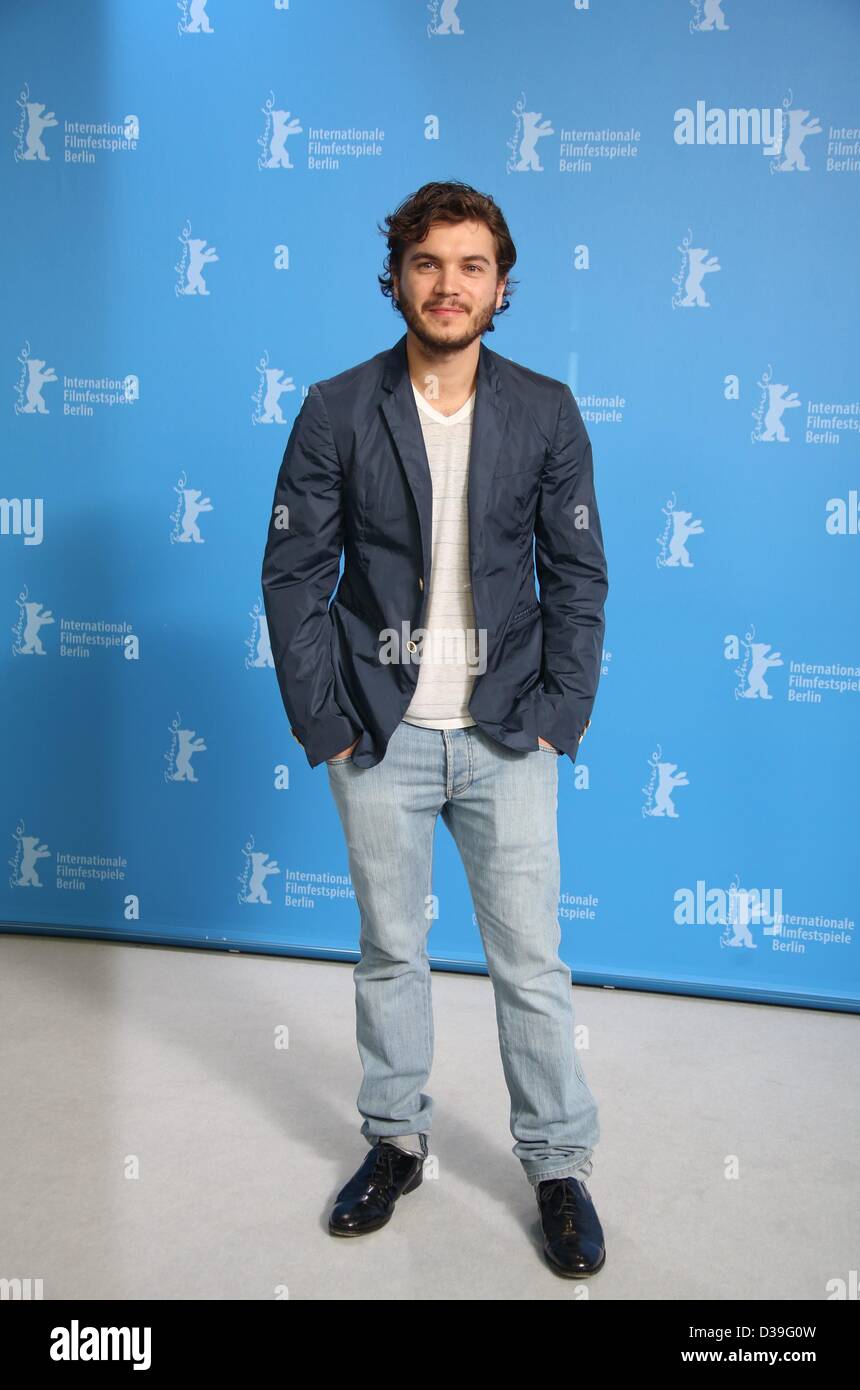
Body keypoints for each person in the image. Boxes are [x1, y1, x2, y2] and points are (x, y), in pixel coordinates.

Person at [261, 180, 608, 1277]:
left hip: (508, 731)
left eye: (469, 266)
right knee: (389, 952)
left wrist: (558, 716)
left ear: (499, 287)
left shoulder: (545, 410)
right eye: (426, 262)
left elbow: (579, 576)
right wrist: (325, 723)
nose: (447, 284)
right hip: (379, 728)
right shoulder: (333, 407)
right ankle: (394, 1143)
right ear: (397, 277)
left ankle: (556, 1165)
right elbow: (294, 574)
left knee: (530, 964)